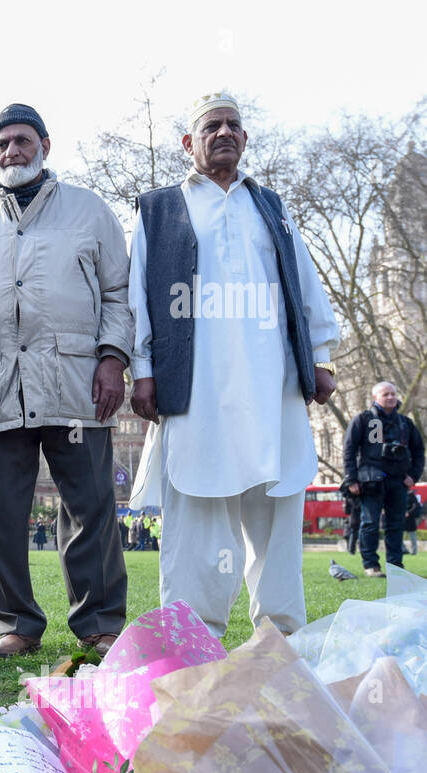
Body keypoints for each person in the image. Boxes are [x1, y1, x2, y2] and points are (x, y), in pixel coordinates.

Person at [128, 92, 340, 637]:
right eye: (212, 126)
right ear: (187, 143)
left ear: (245, 139)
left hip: (273, 393)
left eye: (234, 126)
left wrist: (319, 357)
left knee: (277, 519)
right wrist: (144, 369)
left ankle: (281, 644)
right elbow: (139, 296)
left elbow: (303, 284)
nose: (225, 133)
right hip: (197, 395)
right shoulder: (159, 209)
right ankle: (196, 647)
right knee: (198, 524)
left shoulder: (272, 206)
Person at [0, 103, 130, 658]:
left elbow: (119, 293)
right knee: (0, 514)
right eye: (2, 144)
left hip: (77, 386)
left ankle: (99, 623)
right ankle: (16, 623)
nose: (12, 151)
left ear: (45, 143)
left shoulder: (90, 211)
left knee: (90, 507)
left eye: (22, 140)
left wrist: (113, 357)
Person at [343, 381, 424, 576]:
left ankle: (395, 566)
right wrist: (351, 479)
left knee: (396, 524)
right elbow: (349, 449)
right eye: (385, 394)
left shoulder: (405, 423)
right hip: (370, 481)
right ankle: (371, 565)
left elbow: (419, 450)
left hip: (398, 481)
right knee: (370, 523)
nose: (390, 397)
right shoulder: (365, 420)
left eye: (393, 394)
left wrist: (413, 475)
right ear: (375, 398)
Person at [407, 492, 422, 556]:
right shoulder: (401, 494)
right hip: (401, 519)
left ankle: (414, 551)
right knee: (397, 535)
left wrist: (409, 513)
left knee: (412, 535)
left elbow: (415, 507)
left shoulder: (413, 497)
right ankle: (403, 550)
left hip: (411, 519)